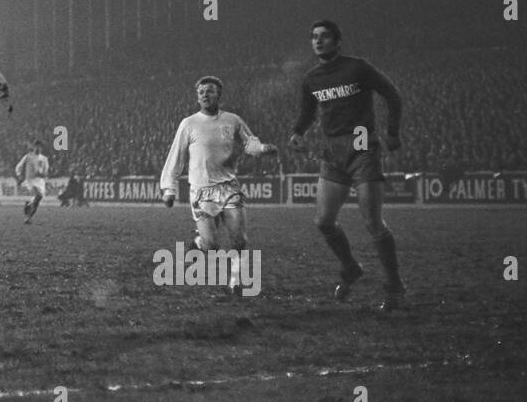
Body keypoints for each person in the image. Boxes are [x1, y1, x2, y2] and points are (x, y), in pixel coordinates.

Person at [289, 20, 406, 311]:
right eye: (314, 37)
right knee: (323, 221)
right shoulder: (312, 79)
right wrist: (297, 132)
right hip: (332, 150)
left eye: (324, 36)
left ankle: (394, 285)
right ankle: (351, 267)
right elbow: (307, 113)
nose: (318, 41)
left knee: (372, 221)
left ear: (337, 41)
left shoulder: (357, 68)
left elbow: (392, 94)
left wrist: (392, 131)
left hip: (362, 142)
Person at [159, 77, 278, 292]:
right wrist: (169, 188)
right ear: (197, 97)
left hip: (229, 187)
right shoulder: (188, 124)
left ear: (219, 95)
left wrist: (261, 149)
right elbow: (176, 156)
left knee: (239, 240)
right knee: (212, 245)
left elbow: (249, 142)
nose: (205, 95)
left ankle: (234, 282)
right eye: (201, 92)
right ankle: (199, 243)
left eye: (210, 91)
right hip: (202, 192)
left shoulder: (232, 120)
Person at [15, 139, 49, 223]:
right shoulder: (28, 156)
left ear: (41, 148)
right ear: (33, 147)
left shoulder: (44, 159)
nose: (38, 148)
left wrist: (41, 174)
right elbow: (19, 166)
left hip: (40, 182)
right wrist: (19, 175)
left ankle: (29, 214)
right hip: (30, 181)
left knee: (37, 200)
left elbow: (46, 173)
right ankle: (29, 210)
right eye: (36, 146)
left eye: (39, 147)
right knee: (38, 196)